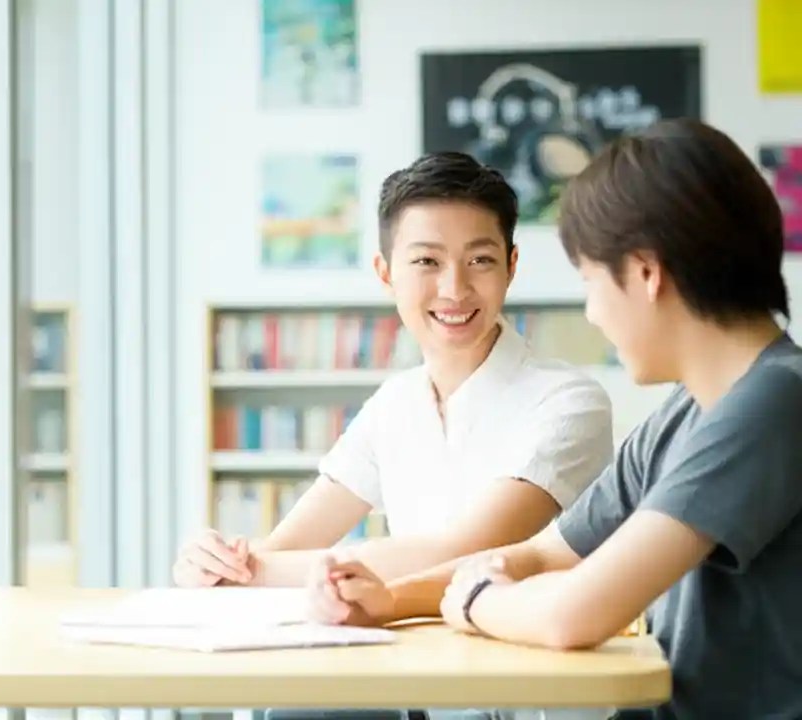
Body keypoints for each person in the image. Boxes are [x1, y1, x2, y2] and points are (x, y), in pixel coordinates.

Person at [310, 119, 802, 720]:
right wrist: (390, 600)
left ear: (646, 273)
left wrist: (478, 599)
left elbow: (573, 613)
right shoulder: (685, 414)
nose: (593, 314)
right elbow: (542, 556)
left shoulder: (775, 403)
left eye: (592, 282)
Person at [174, 152, 614, 592]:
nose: (454, 289)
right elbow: (283, 550)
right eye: (427, 262)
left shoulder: (569, 401)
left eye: (480, 260)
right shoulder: (394, 405)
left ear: (511, 267)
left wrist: (251, 572)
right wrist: (212, 565)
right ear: (386, 274)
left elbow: (466, 554)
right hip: (412, 654)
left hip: (534, 657)